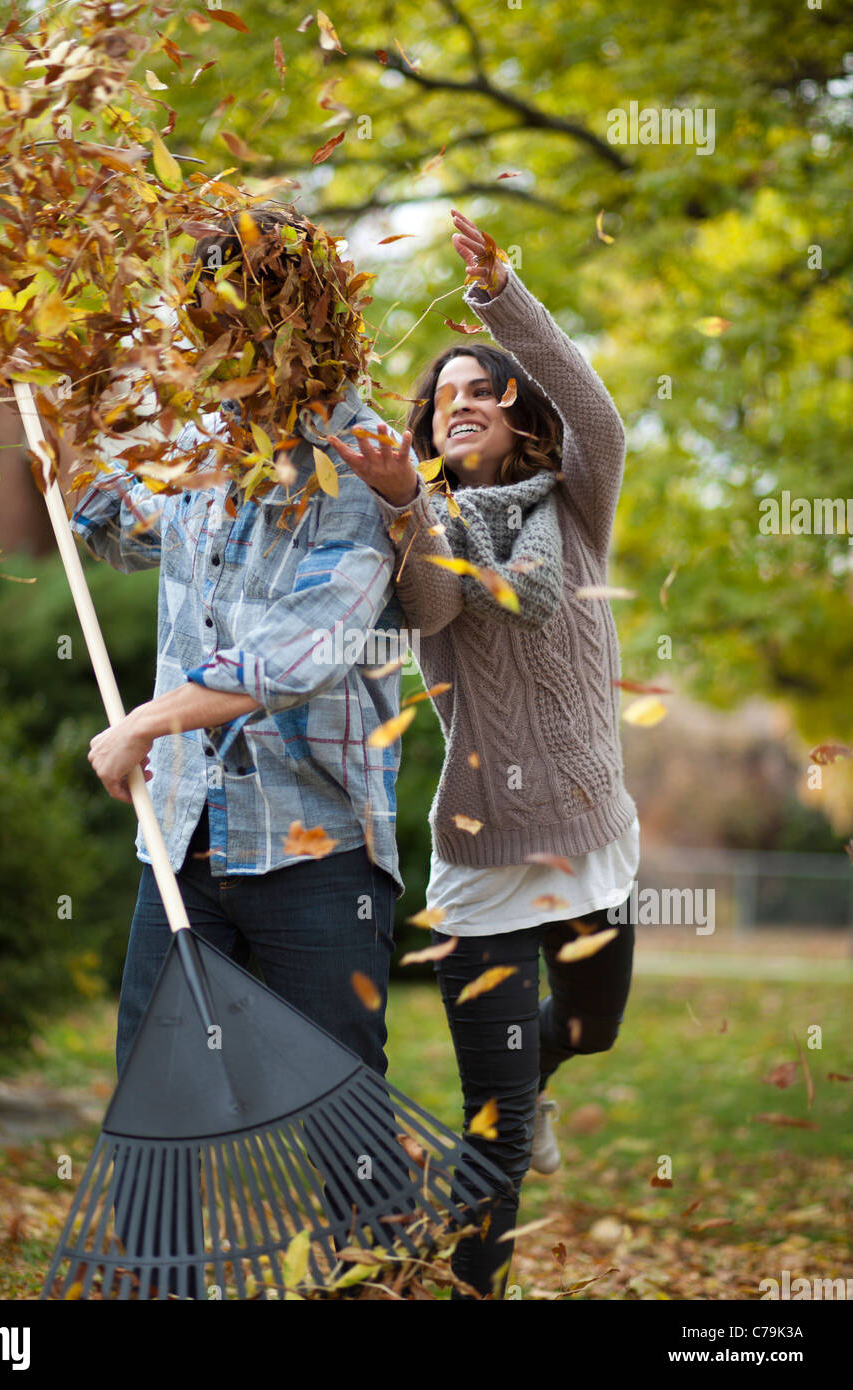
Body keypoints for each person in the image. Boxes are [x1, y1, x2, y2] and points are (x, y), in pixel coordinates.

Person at [328, 207, 640, 1298]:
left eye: (481, 388)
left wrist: (501, 295)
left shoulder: (578, 503)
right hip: (483, 861)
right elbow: (426, 602)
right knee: (498, 1136)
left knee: (590, 1030)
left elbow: (595, 410)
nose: (457, 403)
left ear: (519, 414)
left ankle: (535, 1075)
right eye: (441, 397)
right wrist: (408, 504)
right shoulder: (421, 530)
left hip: (591, 836)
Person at [71, 205, 409, 1104]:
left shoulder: (359, 454)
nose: (216, 352)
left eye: (238, 329)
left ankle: (378, 1247)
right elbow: (137, 532)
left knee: (339, 1099)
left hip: (317, 845)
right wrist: (63, 431)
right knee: (160, 1086)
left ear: (300, 326)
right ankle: (159, 1253)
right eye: (207, 328)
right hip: (182, 831)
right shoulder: (203, 441)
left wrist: (148, 720)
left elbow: (303, 650)